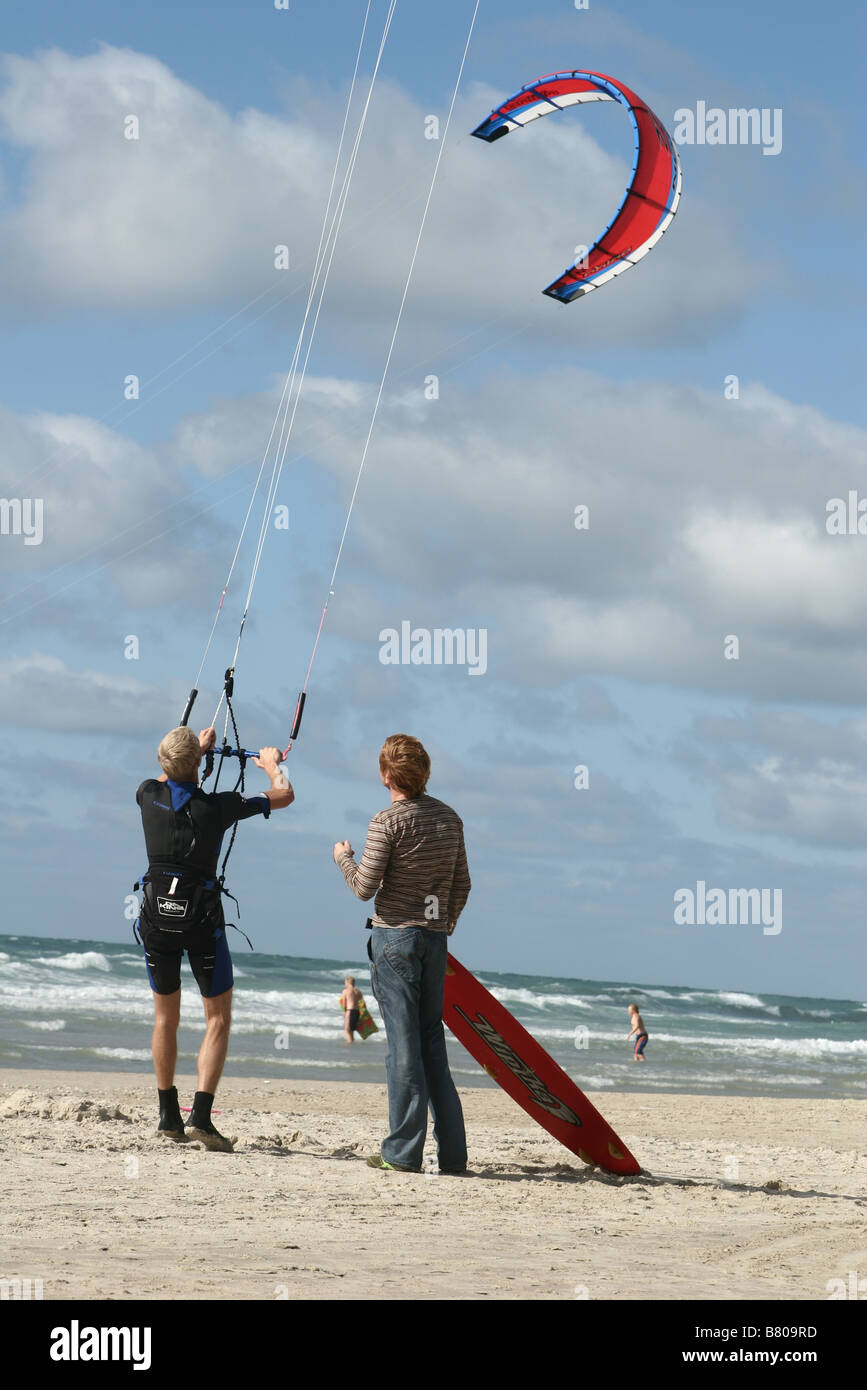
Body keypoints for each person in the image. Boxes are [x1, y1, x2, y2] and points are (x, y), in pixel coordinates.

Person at [136, 725, 294, 1150]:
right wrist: (272, 767)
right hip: (201, 920)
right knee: (217, 1018)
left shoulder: (146, 795)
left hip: (155, 919)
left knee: (165, 1017)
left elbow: (170, 778)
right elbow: (284, 795)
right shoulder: (218, 807)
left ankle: (168, 1115)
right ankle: (201, 1120)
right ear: (199, 765)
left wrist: (197, 754)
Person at [333, 734, 470, 1174]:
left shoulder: (386, 822)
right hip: (433, 939)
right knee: (432, 1043)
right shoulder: (450, 819)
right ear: (424, 772)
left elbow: (363, 887)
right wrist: (442, 925)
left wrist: (343, 858)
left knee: (403, 1048)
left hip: (395, 939)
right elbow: (463, 884)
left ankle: (401, 1153)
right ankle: (453, 1155)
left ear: (386, 776)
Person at [339, 975, 363, 1044]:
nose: (345, 984)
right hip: (357, 1012)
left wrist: (344, 1012)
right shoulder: (358, 991)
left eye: (345, 983)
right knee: (351, 1030)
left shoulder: (345, 991)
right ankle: (352, 1044)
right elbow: (362, 1003)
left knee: (346, 1030)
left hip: (350, 1011)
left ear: (347, 982)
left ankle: (349, 1044)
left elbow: (344, 1003)